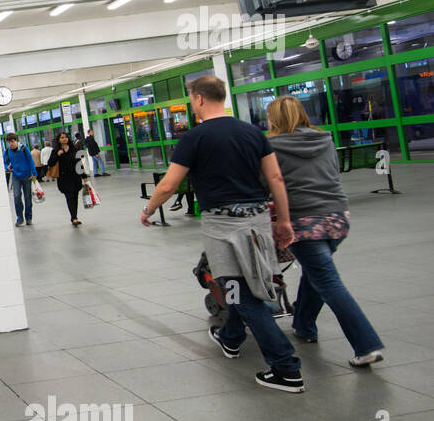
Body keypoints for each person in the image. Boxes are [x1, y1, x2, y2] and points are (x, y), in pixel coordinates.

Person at [141, 75, 301, 393]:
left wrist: (148, 211)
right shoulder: (253, 132)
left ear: (199, 98)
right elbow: (276, 179)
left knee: (238, 294)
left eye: (191, 98)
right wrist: (283, 222)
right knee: (247, 288)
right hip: (257, 222)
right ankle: (230, 338)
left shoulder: (194, 138)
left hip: (223, 227)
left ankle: (286, 367)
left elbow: (170, 184)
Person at [267, 95, 385, 367]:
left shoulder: (271, 146)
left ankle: (367, 345)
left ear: (274, 119)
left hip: (304, 222)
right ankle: (304, 325)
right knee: (316, 273)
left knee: (328, 282)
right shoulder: (325, 139)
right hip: (337, 217)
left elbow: (269, 182)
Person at [3, 133, 37, 226]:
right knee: (17, 196)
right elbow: (4, 162)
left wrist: (34, 174)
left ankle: (28, 218)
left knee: (27, 197)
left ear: (16, 140)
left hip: (27, 176)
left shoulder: (23, 148)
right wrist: (7, 167)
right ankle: (20, 218)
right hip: (15, 176)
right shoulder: (7, 151)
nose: (11, 144)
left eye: (13, 141)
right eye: (9, 142)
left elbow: (30, 160)